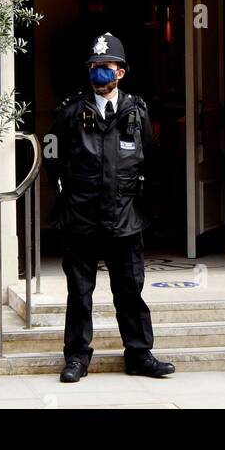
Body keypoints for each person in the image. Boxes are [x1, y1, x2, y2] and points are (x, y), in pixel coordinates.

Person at [45, 31, 175, 383]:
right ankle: (76, 357)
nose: (99, 72)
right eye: (94, 66)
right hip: (81, 217)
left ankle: (139, 354)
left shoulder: (137, 111)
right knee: (80, 293)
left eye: (106, 66)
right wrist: (66, 191)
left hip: (125, 217)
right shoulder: (72, 111)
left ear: (121, 72)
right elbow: (50, 153)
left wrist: (144, 204)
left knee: (130, 290)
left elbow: (151, 160)